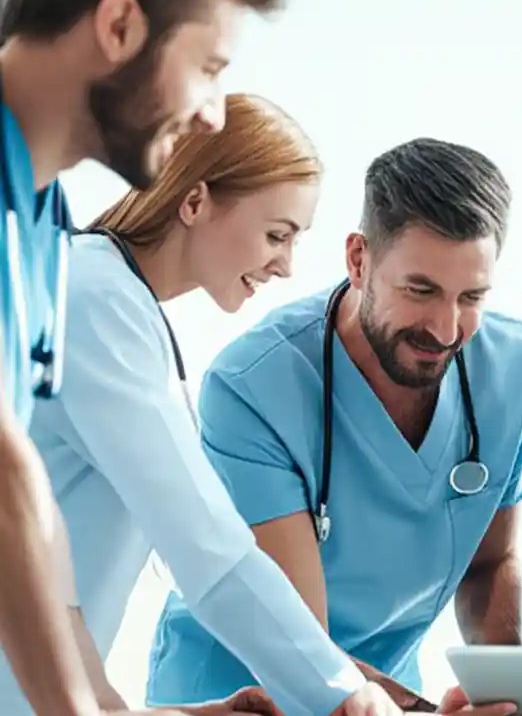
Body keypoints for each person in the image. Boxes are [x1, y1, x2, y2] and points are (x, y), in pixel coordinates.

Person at [14, 92, 422, 716]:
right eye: (276, 234)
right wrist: (343, 694)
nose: (286, 266)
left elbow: (59, 596)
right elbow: (208, 549)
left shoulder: (118, 304)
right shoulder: (98, 302)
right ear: (195, 201)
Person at [146, 136, 522, 715]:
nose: (446, 329)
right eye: (420, 290)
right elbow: (299, 644)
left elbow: (489, 564)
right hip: (242, 690)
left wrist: (503, 699)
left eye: (471, 296)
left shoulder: (511, 366)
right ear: (359, 260)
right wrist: (426, 713)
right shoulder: (253, 386)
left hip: (390, 694)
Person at [0, 0, 280, 713]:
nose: (213, 114)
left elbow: (41, 563)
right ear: (119, 24)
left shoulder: (42, 226)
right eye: (209, 67)